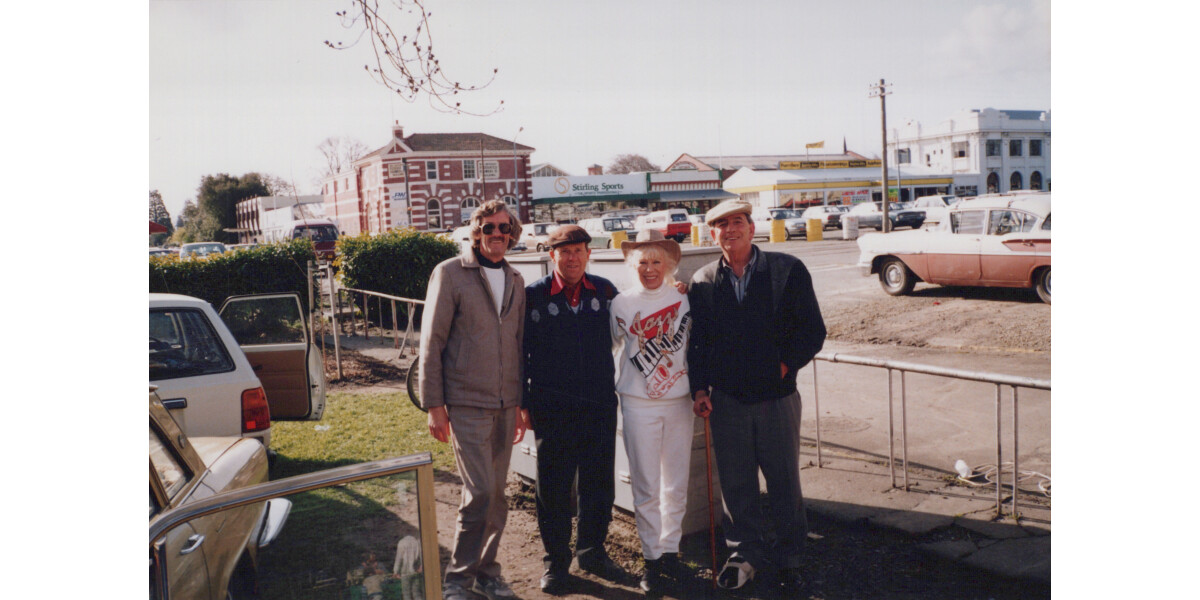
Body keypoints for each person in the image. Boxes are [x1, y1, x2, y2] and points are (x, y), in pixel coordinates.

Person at [686, 199, 826, 594]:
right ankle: (745, 553)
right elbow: (698, 345)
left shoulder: (786, 269)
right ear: (711, 233)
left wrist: (783, 368)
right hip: (727, 401)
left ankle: (790, 556)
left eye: (737, 222)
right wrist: (699, 388)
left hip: (777, 400)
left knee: (783, 480)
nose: (730, 230)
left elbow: (812, 331)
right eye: (720, 225)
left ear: (752, 227)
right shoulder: (703, 280)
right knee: (737, 484)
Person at [419, 199, 529, 600]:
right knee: (480, 491)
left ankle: (488, 572)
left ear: (512, 233)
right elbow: (432, 342)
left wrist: (518, 404)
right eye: (487, 228)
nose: (496, 235)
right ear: (474, 232)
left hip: (505, 405)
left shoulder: (516, 278)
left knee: (497, 497)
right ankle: (458, 581)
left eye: (503, 228)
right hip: (465, 403)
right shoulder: (450, 273)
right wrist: (434, 405)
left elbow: (518, 345)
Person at [523, 224, 626, 595]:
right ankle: (556, 562)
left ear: (588, 254)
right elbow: (520, 355)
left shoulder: (606, 291)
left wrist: (674, 289)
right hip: (553, 408)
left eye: (579, 251)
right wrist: (523, 402)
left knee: (598, 483)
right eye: (564, 252)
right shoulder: (532, 296)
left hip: (598, 403)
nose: (572, 258)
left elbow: (643, 310)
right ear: (552, 255)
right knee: (553, 488)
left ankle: (592, 551)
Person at [609, 230, 693, 596]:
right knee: (645, 486)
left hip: (679, 401)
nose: (649, 268)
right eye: (642, 262)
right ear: (632, 265)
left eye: (657, 261)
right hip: (638, 402)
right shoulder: (621, 304)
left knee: (675, 483)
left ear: (670, 264)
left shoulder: (684, 298)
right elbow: (610, 346)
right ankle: (652, 558)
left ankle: (671, 550)